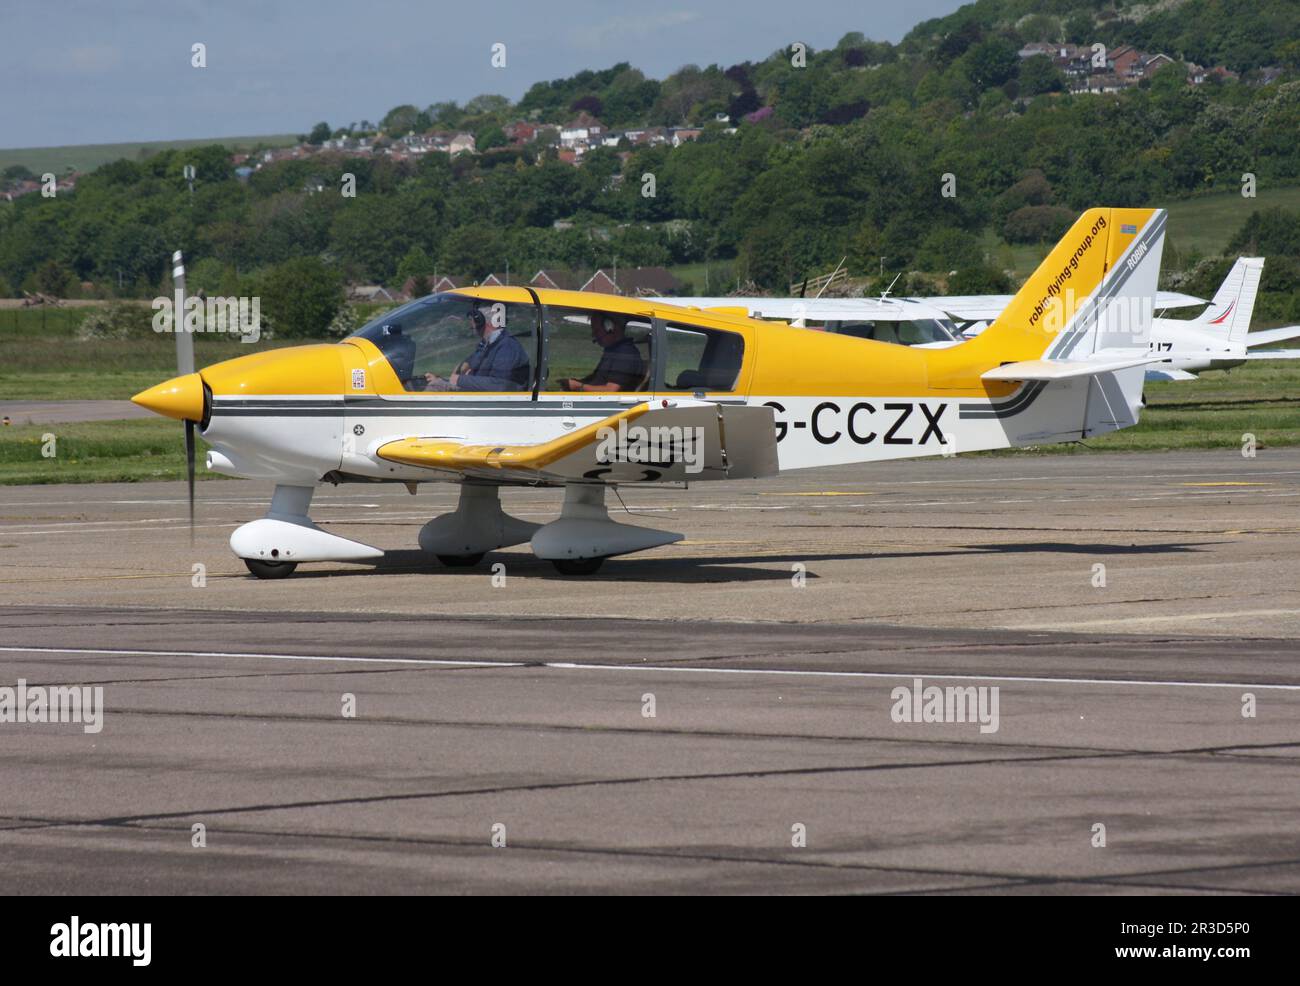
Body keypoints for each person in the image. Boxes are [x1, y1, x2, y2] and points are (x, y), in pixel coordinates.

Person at [426, 308, 531, 392]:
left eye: (474, 321)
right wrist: (444, 379)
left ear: (483, 322)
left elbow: (500, 385)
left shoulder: (507, 346)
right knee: (433, 382)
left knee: (435, 387)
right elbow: (468, 364)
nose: (471, 324)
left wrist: (459, 380)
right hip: (480, 393)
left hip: (493, 400)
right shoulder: (488, 344)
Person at [562, 314, 644, 392]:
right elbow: (597, 378)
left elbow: (610, 390)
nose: (594, 336)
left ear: (610, 328)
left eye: (597, 331)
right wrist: (576, 382)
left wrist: (579, 386)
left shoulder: (625, 353)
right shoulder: (613, 350)